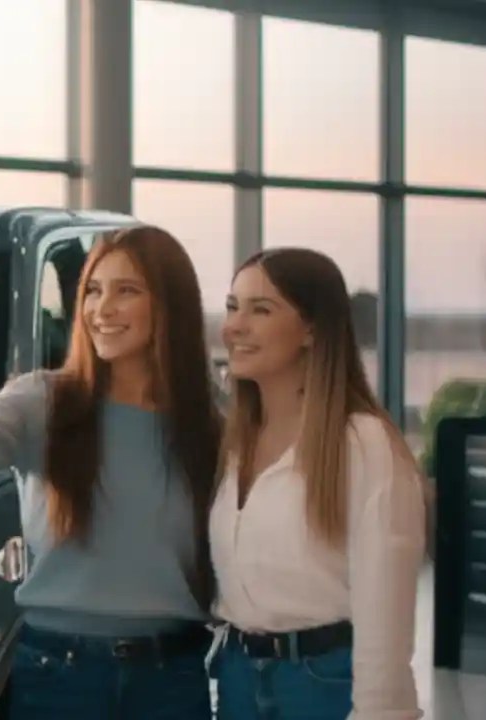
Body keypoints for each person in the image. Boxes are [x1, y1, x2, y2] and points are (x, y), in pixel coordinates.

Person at [0, 226, 222, 719]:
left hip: (173, 676)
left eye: (127, 291)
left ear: (171, 306)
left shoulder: (209, 426)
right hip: (62, 673)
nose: (102, 309)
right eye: (93, 291)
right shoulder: (44, 401)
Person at [208, 247, 427, 720]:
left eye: (260, 310)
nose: (234, 326)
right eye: (232, 307)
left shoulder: (363, 444)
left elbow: (385, 618)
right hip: (239, 680)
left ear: (311, 330)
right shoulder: (237, 442)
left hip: (324, 687)